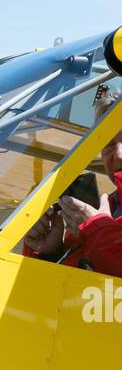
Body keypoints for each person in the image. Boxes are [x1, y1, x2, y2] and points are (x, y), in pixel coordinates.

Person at [23, 104, 122, 273]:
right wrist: (52, 254)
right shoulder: (102, 211)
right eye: (109, 143)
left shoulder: (96, 221)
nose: (119, 154)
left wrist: (98, 229)